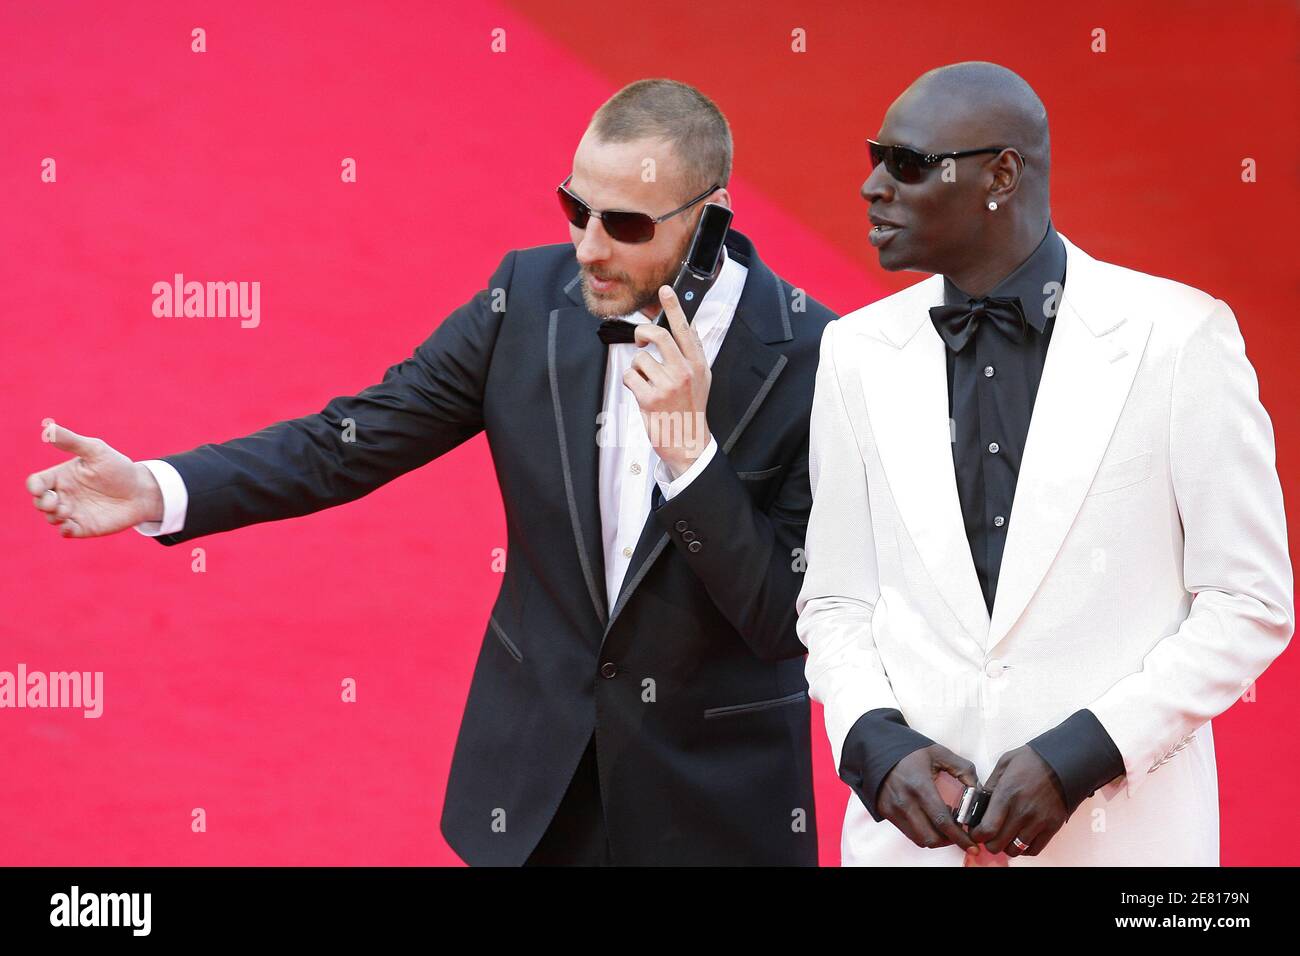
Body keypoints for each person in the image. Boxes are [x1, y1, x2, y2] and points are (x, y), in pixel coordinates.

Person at [27, 78, 834, 866]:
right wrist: (155, 488)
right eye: (574, 209)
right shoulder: (526, 298)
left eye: (622, 223)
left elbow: (780, 619)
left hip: (712, 812)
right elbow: (347, 440)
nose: (587, 247)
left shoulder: (814, 358)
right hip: (534, 798)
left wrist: (690, 457)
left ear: (711, 218)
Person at [795, 61, 1293, 865]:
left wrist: (1084, 754)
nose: (875, 187)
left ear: (1002, 173)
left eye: (909, 163)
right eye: (875, 158)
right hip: (911, 848)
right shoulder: (855, 352)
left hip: (1125, 844)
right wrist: (876, 748)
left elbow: (1248, 599)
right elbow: (836, 599)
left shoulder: (1178, 338)